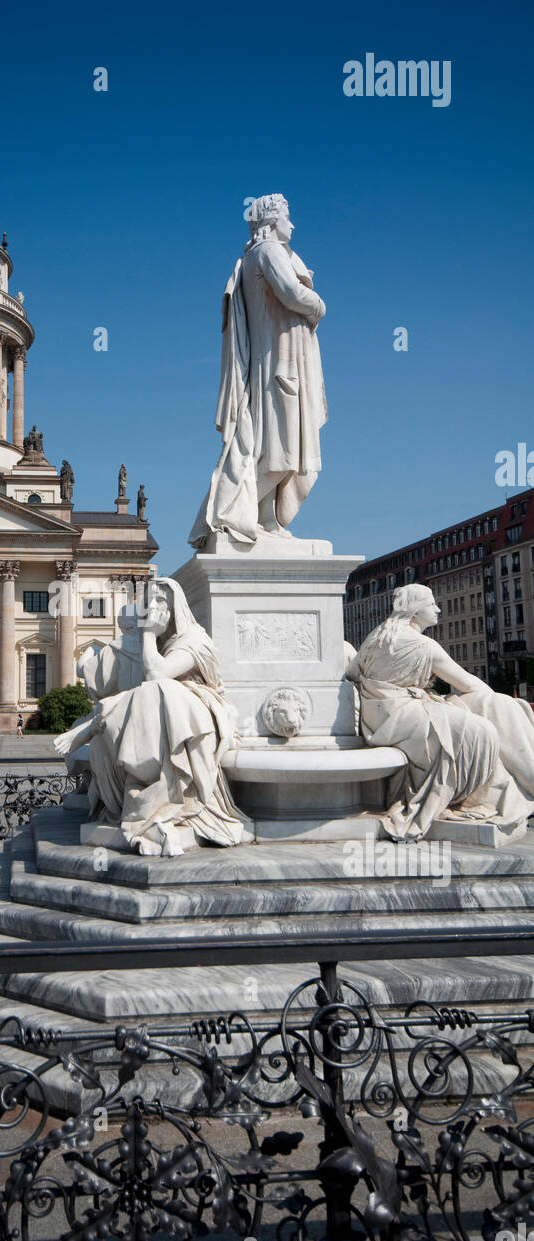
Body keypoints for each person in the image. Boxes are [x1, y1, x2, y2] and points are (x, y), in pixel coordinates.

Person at [54, 578, 246, 856]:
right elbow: (130, 676)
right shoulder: (157, 642)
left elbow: (156, 673)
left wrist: (146, 634)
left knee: (160, 688)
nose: (152, 608)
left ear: (174, 606)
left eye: (159, 601)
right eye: (148, 602)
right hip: (168, 712)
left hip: (200, 715)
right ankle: (140, 792)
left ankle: (92, 727)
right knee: (151, 695)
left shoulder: (195, 640)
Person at [190, 194, 327, 546]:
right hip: (280, 366)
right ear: (271, 221)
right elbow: (291, 293)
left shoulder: (257, 255)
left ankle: (266, 518)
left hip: (278, 364)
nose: (292, 225)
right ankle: (226, 513)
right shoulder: (267, 252)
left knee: (275, 448)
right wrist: (320, 305)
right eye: (287, 217)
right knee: (279, 450)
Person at [347, 584, 534, 840]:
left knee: (497, 706)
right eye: (431, 604)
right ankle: (510, 786)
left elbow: (352, 674)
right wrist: (486, 699)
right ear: (415, 610)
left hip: (380, 717)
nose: (438, 609)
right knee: (484, 726)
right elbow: (468, 683)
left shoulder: (377, 637)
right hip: (405, 715)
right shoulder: (423, 645)